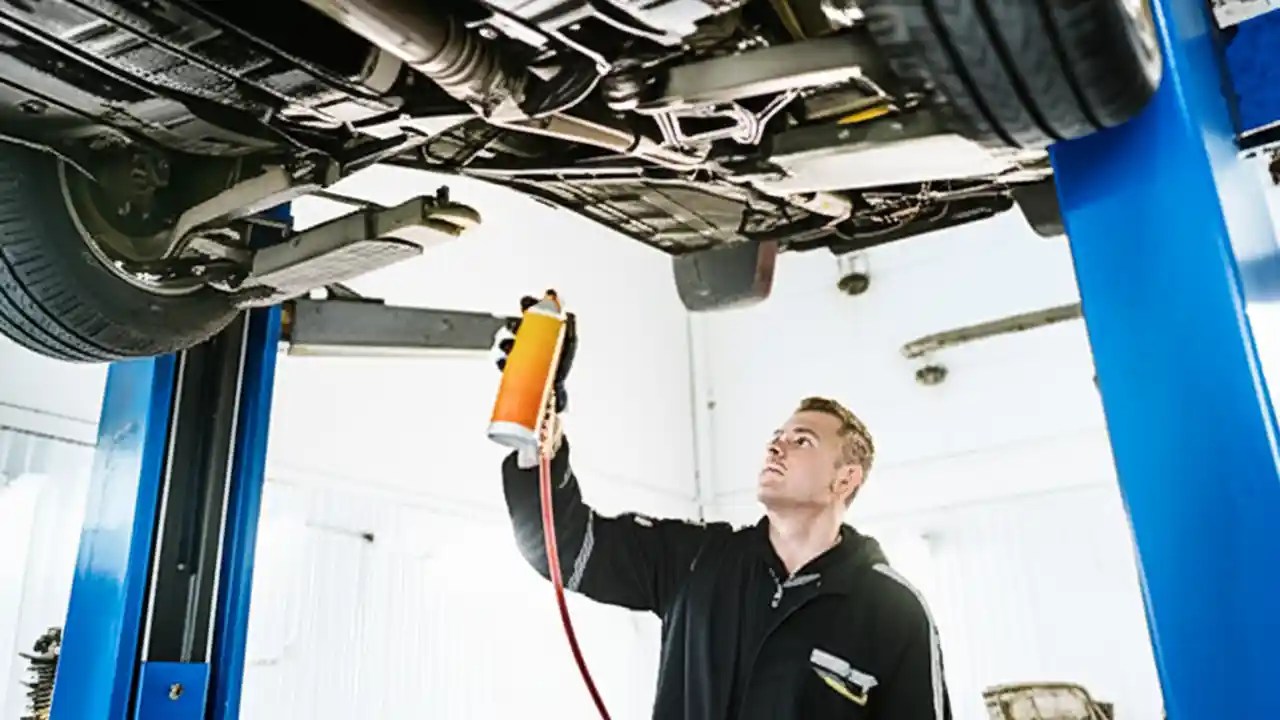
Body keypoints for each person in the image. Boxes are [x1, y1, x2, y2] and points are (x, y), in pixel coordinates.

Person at [497, 294, 952, 720]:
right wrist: (540, 436)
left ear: (845, 478)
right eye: (776, 438)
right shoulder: (695, 561)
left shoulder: (893, 611)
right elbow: (563, 546)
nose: (777, 447)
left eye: (802, 441)